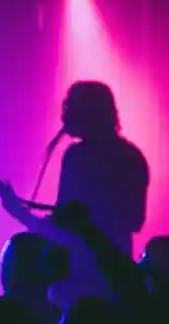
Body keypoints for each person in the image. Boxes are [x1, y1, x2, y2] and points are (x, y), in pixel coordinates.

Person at [56, 81, 150, 257]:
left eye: (71, 107)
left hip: (84, 265)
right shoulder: (131, 155)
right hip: (114, 267)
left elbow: (62, 217)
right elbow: (136, 221)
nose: (65, 115)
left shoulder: (76, 156)